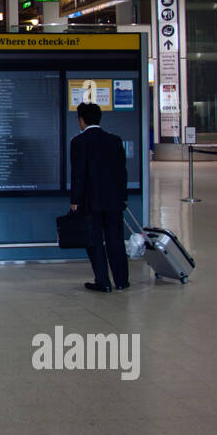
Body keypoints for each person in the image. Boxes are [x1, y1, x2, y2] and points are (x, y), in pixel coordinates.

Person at [68, 102, 130, 294]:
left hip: (90, 201)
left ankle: (102, 281)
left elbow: (78, 175)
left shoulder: (78, 142)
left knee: (94, 241)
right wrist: (122, 197)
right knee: (116, 240)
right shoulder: (115, 140)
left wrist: (75, 201)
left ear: (81, 120)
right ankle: (121, 280)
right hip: (114, 201)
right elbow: (122, 172)